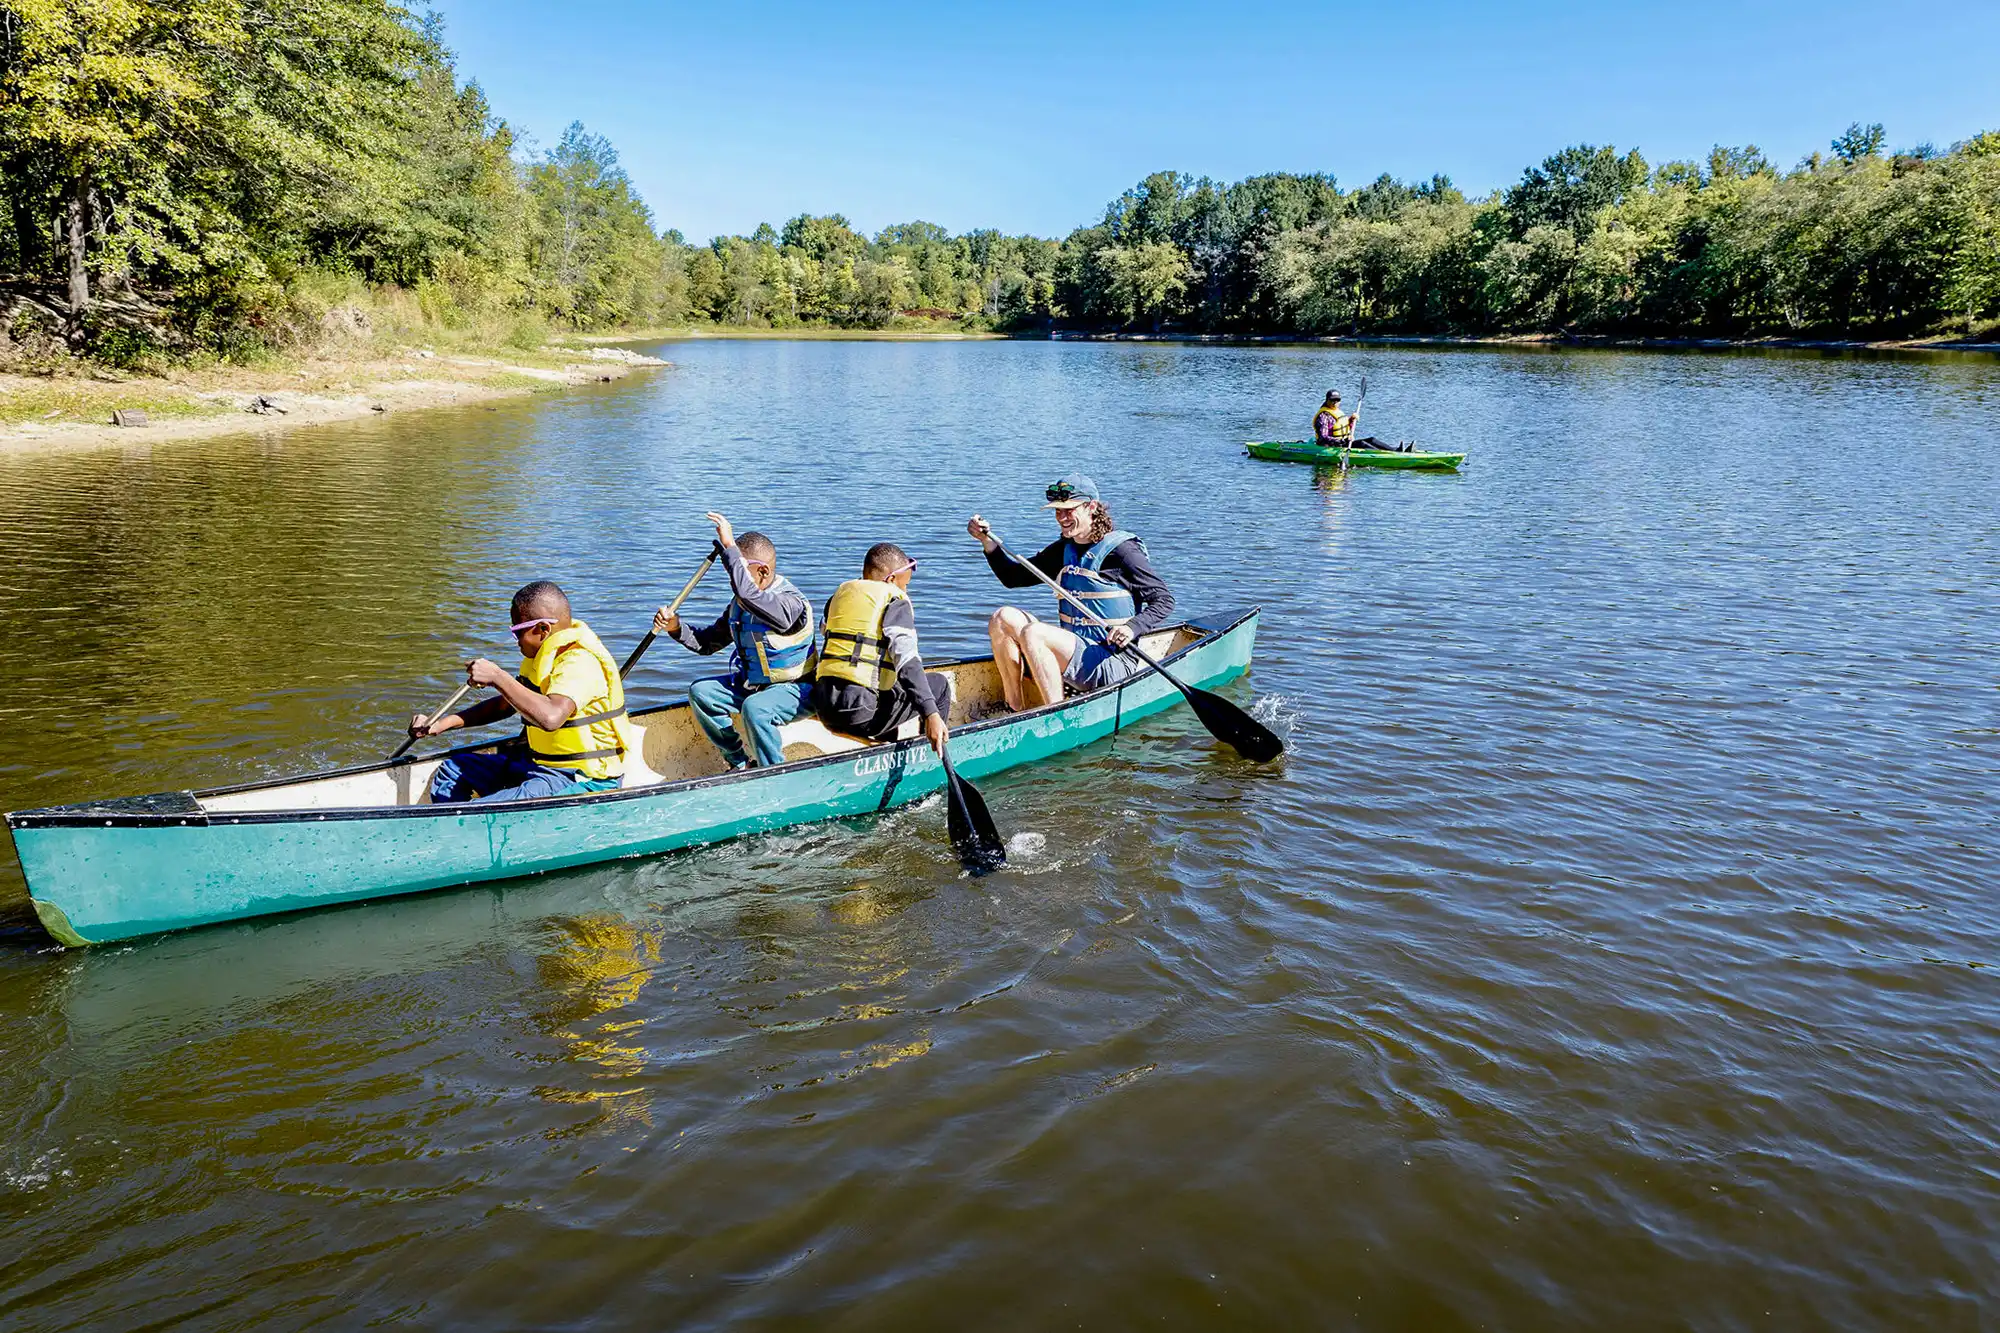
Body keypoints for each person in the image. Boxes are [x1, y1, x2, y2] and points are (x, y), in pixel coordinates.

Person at [966, 473, 1175, 712]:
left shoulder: (1123, 552)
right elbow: (1013, 578)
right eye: (1057, 511)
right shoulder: (1065, 549)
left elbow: (1164, 600)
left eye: (1069, 510)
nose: (1061, 518)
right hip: (1076, 655)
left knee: (1034, 633)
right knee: (1003, 618)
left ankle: (1055, 715)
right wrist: (986, 542)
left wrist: (1131, 627)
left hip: (1111, 660)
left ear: (1092, 507)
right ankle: (1013, 708)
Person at [410, 581, 629, 803]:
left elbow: (551, 717)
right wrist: (441, 724)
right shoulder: (539, 659)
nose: (515, 640)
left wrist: (497, 677)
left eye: (517, 631)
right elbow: (503, 706)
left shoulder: (579, 662)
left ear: (543, 630)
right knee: (453, 769)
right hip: (538, 765)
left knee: (478, 809)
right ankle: (458, 829)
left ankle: (464, 826)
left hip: (581, 778)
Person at [653, 512, 815, 768]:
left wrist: (729, 547)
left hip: (798, 692)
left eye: (740, 570)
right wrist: (675, 627)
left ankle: (773, 771)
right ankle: (739, 763)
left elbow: (749, 594)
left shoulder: (789, 603)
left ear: (763, 571)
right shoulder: (740, 605)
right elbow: (707, 643)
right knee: (702, 692)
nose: (733, 579)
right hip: (754, 687)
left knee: (755, 708)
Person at [813, 542, 950, 755]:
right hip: (859, 711)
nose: (905, 591)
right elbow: (907, 661)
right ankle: (932, 753)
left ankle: (883, 753)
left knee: (890, 687)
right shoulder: (895, 600)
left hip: (823, 706)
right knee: (939, 686)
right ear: (891, 580)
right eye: (904, 585)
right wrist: (930, 713)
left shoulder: (839, 597)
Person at [1313, 389, 1402, 451]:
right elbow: (1323, 437)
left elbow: (1343, 427)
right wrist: (1342, 441)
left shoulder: (1335, 411)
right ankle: (1387, 455)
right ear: (1327, 400)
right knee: (1362, 444)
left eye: (1337, 400)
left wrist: (1351, 420)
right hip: (1331, 446)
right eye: (1332, 400)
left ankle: (1396, 450)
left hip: (1343, 442)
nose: (1335, 402)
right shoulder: (1323, 416)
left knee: (1372, 440)